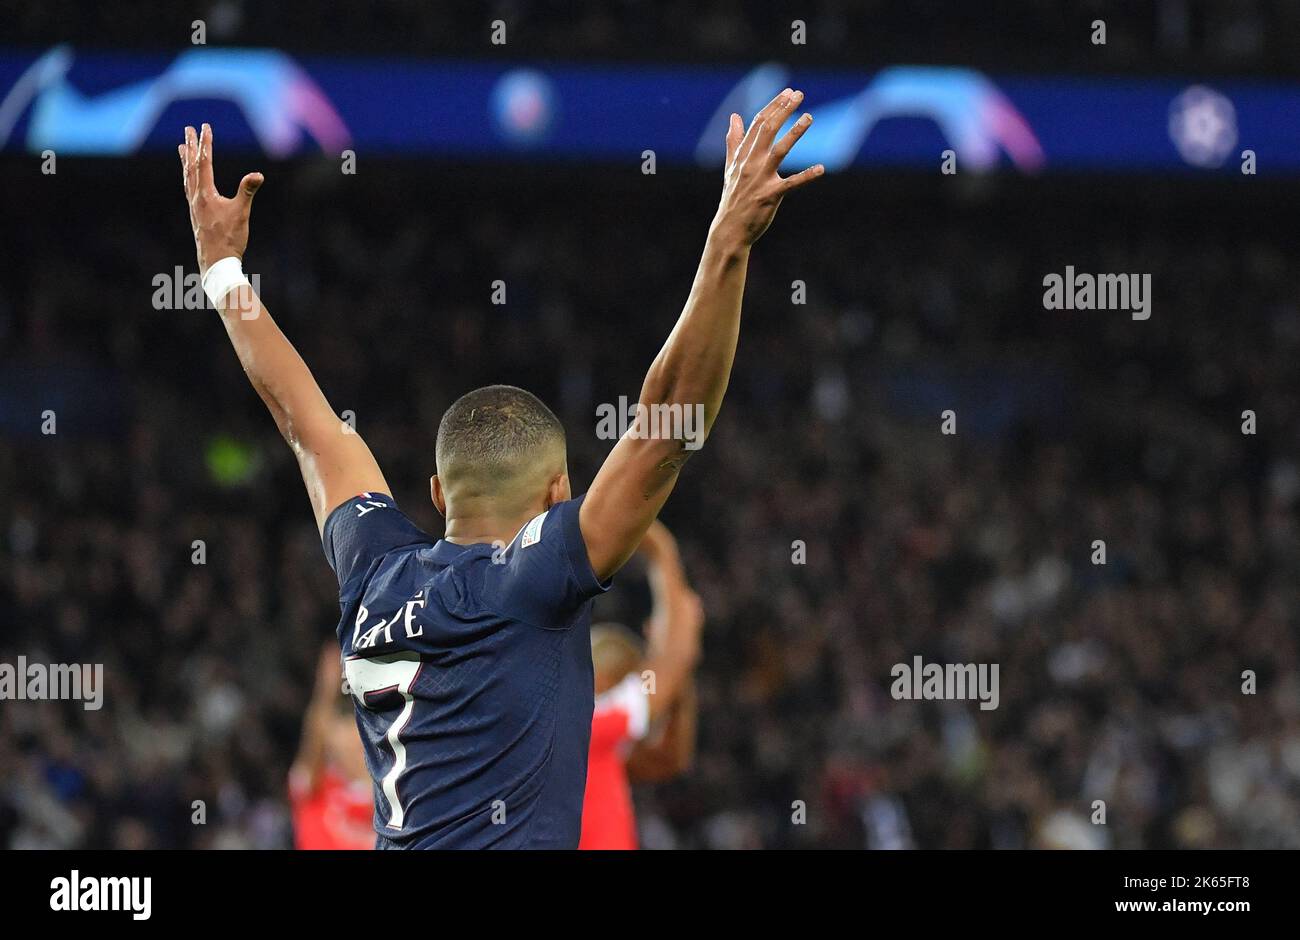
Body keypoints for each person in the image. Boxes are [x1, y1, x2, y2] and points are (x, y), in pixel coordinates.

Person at [176, 88, 821, 848]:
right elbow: (666, 427)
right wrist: (727, 245)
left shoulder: (373, 569)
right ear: (558, 494)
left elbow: (306, 425)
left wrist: (221, 271)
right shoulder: (538, 576)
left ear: (437, 492)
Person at [580, 521, 704, 849]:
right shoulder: (589, 725)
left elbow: (668, 760)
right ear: (607, 682)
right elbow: (672, 662)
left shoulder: (590, 746)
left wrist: (679, 675)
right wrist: (661, 551)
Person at [288, 644, 375, 850]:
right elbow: (312, 743)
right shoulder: (317, 789)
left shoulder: (391, 795)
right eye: (341, 736)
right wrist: (326, 689)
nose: (350, 743)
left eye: (356, 739)